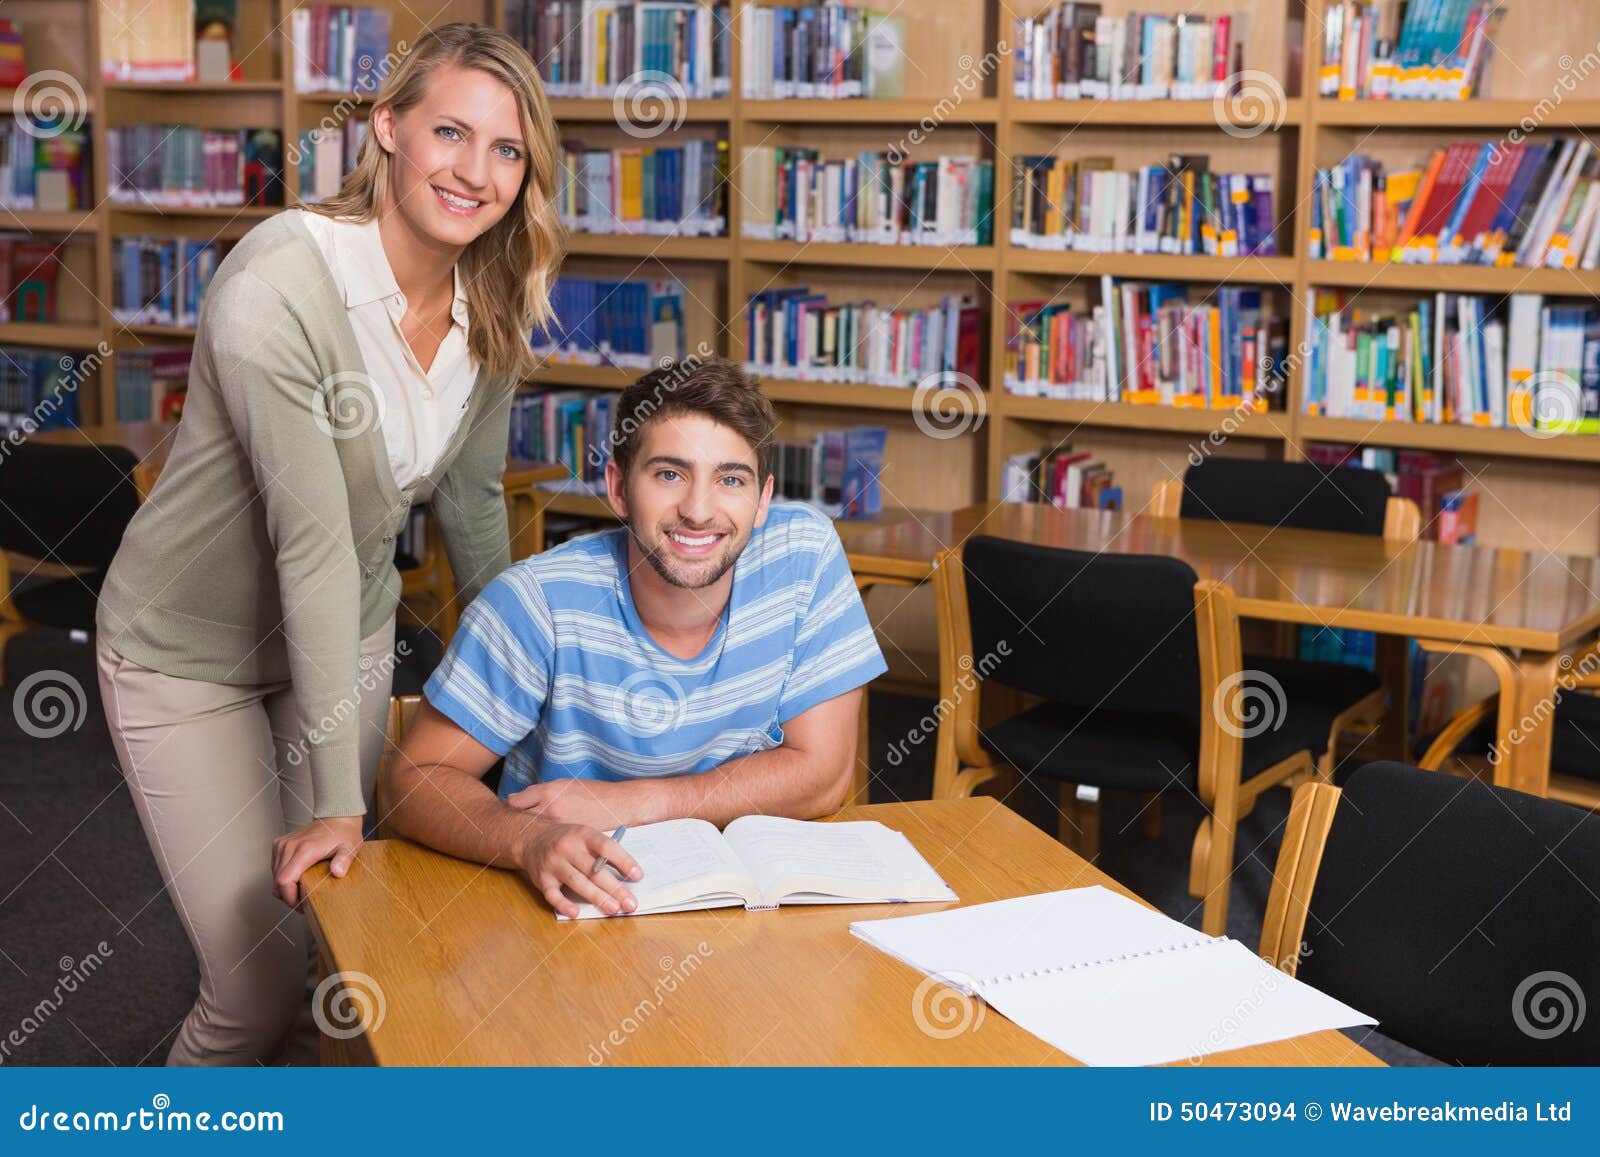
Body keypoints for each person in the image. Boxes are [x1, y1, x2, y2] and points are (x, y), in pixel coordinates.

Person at [93, 23, 563, 1065]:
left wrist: (531, 688)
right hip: (185, 652)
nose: (474, 171)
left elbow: (475, 507)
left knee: (338, 959)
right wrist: (343, 809)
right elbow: (307, 543)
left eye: (507, 149)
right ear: (387, 128)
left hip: (342, 631)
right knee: (255, 988)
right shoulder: (281, 286)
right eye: (450, 131)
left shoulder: (491, 308)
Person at [379, 359, 889, 917]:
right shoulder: (536, 602)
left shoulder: (805, 555)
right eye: (669, 474)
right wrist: (526, 840)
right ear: (619, 487)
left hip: (743, 906)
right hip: (574, 909)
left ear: (763, 499)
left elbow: (824, 775)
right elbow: (411, 784)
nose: (698, 512)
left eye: (730, 480)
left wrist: (636, 801)